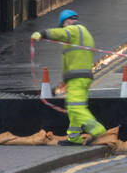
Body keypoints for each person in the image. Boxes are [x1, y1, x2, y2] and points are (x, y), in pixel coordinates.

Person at [31, 9, 107, 145]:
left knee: (74, 108)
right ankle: (74, 137)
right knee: (76, 107)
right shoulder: (83, 34)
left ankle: (97, 129)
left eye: (63, 26)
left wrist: (42, 33)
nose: (64, 29)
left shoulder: (74, 30)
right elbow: (70, 60)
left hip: (78, 77)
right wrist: (65, 80)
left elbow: (59, 33)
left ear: (66, 22)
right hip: (81, 77)